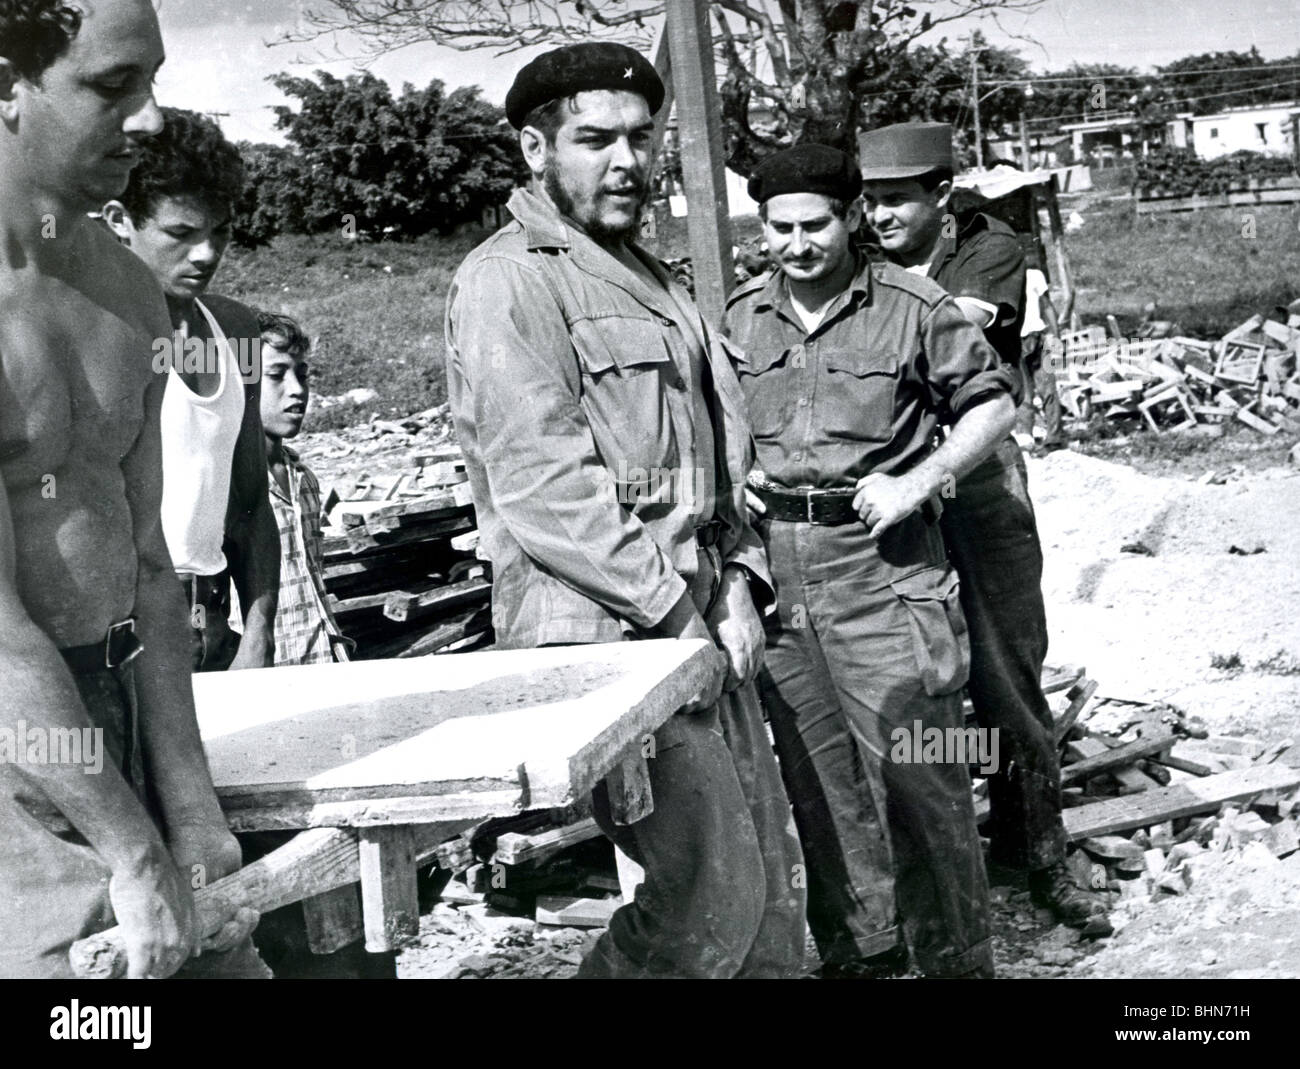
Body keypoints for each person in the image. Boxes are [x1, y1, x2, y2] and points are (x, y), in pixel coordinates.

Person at [445, 41, 806, 978]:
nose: (628, 162)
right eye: (595, 139)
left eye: (642, 139)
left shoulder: (651, 276)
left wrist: (738, 580)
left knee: (768, 902)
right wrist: (681, 611)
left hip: (694, 624)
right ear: (535, 149)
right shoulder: (510, 280)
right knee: (709, 901)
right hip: (610, 641)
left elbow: (723, 459)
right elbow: (544, 488)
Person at [0, 0, 259, 978]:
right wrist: (130, 850)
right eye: (113, 86)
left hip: (121, 720)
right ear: (4, 82)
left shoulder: (126, 289)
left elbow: (153, 567)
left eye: (152, 81)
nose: (149, 119)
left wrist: (185, 806)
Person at [723, 143, 1016, 979]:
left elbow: (992, 406)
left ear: (852, 216)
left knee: (925, 779)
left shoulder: (914, 305)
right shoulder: (740, 317)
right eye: (779, 226)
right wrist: (732, 477)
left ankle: (957, 962)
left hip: (883, 569)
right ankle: (863, 955)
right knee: (818, 782)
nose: (796, 243)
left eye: (815, 224)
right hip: (780, 573)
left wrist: (919, 480)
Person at [860, 122, 1108, 933]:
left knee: (1006, 674)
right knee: (912, 685)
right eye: (871, 200)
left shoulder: (988, 247)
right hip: (897, 489)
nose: (881, 216)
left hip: (980, 483)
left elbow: (946, 324)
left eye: (898, 199)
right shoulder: (864, 255)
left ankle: (1036, 854)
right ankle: (935, 859)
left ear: (941, 195)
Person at [101, 107, 279, 673]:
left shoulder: (234, 328)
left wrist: (258, 636)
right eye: (181, 233)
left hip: (214, 625)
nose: (206, 254)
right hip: (118, 631)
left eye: (219, 231)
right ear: (118, 219)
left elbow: (250, 503)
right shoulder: (93, 332)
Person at [255, 311, 351, 667]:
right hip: (260, 676)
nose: (297, 389)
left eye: (302, 374)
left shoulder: (304, 479)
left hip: (325, 662)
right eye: (277, 375)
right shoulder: (224, 486)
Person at [1017, 263, 1066, 452]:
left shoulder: (1030, 275)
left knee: (1031, 391)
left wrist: (1057, 337)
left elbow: (1046, 306)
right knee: (1040, 390)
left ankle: (1034, 437)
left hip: (1030, 338)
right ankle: (1046, 438)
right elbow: (1047, 307)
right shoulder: (1033, 275)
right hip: (1026, 337)